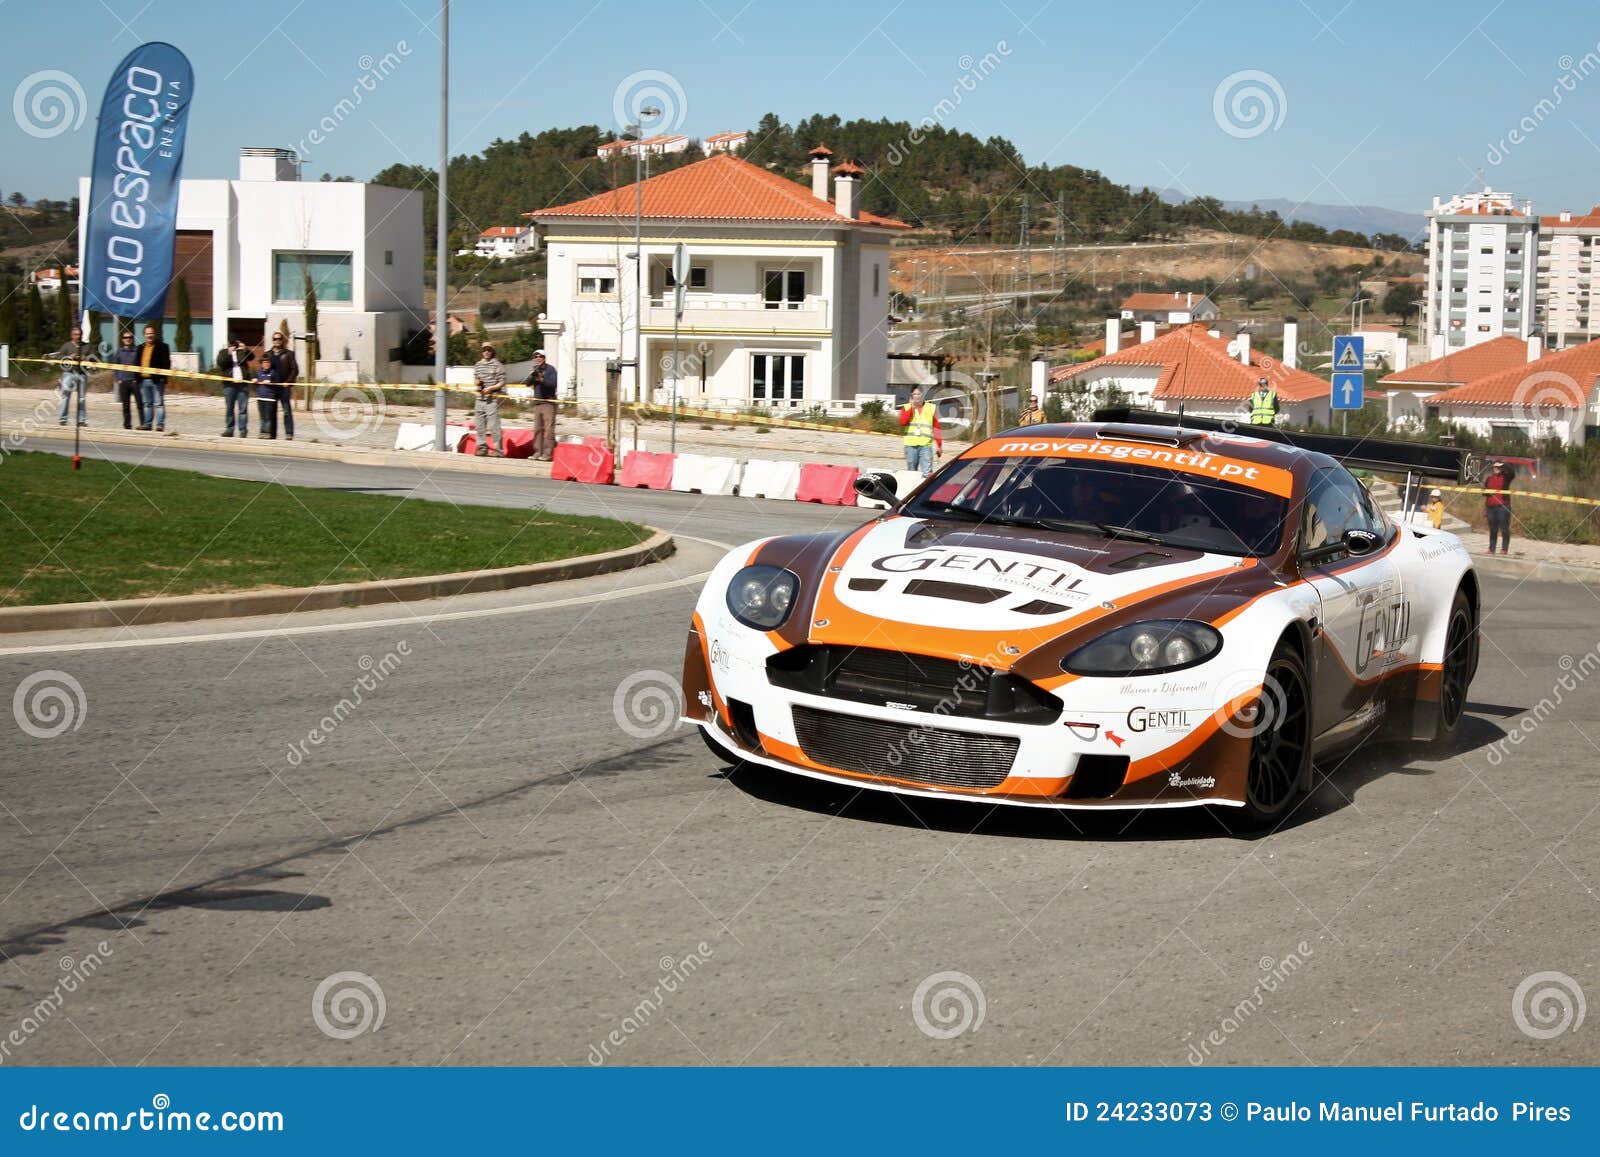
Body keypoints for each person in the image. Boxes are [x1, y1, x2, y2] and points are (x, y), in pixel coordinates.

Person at [258, 331, 299, 440]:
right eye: (275, 339)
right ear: (272, 340)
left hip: (284, 388)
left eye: (279, 339)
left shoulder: (289, 354)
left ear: (282, 340)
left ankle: (289, 433)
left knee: (286, 411)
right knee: (271, 412)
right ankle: (272, 434)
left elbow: (294, 369)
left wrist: (288, 382)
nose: (277, 341)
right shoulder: (268, 354)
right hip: (272, 389)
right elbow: (263, 368)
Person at [52, 325, 91, 427]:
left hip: (82, 374)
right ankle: (63, 419)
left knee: (81, 398)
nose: (77, 336)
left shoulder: (87, 346)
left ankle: (81, 420)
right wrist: (69, 357)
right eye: (75, 334)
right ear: (71, 335)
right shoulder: (67, 345)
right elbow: (58, 357)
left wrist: (86, 358)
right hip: (69, 374)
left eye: (79, 334)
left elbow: (94, 358)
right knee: (65, 396)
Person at [898, 385, 941, 476]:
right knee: (911, 473)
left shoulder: (931, 408)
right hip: (910, 445)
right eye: (915, 394)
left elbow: (936, 427)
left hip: (926, 445)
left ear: (923, 395)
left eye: (919, 393)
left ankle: (928, 490)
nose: (917, 396)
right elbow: (903, 422)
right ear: (911, 395)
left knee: (928, 473)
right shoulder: (906, 408)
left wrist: (939, 445)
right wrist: (911, 408)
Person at [524, 349, 559, 461]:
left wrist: (541, 379)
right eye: (536, 357)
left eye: (540, 356)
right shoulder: (535, 369)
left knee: (549, 429)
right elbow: (527, 384)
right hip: (538, 402)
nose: (538, 358)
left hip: (548, 402)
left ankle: (547, 454)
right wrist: (532, 376)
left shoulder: (551, 370)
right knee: (537, 429)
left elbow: (552, 385)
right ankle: (537, 452)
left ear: (544, 358)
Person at [136, 323, 172, 432]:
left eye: (151, 333)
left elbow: (166, 363)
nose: (149, 335)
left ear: (154, 334)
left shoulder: (163, 346)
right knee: (147, 403)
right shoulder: (140, 348)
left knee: (159, 403)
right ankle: (147, 424)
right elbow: (136, 363)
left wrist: (163, 377)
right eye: (147, 334)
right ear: (144, 335)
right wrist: (136, 378)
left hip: (157, 380)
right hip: (143, 380)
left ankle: (160, 425)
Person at [473, 342, 506, 457]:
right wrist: (477, 382)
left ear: (492, 351)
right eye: (484, 349)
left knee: (494, 425)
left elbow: (502, 382)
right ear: (481, 351)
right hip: (479, 398)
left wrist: (491, 388)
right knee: (479, 425)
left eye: (489, 349)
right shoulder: (478, 364)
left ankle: (498, 450)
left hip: (491, 399)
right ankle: (482, 448)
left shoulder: (497, 365)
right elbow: (475, 379)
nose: (486, 352)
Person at [218, 338, 253, 438]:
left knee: (243, 409)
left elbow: (251, 357)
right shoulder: (223, 352)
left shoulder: (241, 351)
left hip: (242, 383)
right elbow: (221, 363)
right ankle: (229, 429)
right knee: (229, 408)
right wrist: (228, 354)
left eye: (235, 343)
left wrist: (245, 349)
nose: (233, 345)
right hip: (229, 384)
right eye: (231, 343)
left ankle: (243, 430)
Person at [111, 329, 145, 429]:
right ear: (122, 340)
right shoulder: (119, 351)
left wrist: (138, 378)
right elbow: (115, 366)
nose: (128, 339)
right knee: (126, 406)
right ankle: (127, 425)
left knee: (140, 404)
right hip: (123, 382)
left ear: (132, 339)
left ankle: (143, 424)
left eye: (130, 337)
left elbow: (141, 365)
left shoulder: (137, 350)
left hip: (135, 382)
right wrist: (118, 379)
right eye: (126, 338)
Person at [1484, 460, 1513, 554]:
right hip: (1490, 507)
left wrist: (1503, 464)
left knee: (1504, 528)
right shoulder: (1489, 478)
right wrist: (1486, 492)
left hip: (1503, 506)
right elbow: (1483, 492)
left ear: (1502, 468)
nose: (1496, 468)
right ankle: (1491, 548)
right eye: (1495, 467)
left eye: (1498, 467)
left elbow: (1512, 472)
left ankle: (1504, 549)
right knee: (1493, 529)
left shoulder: (1506, 477)